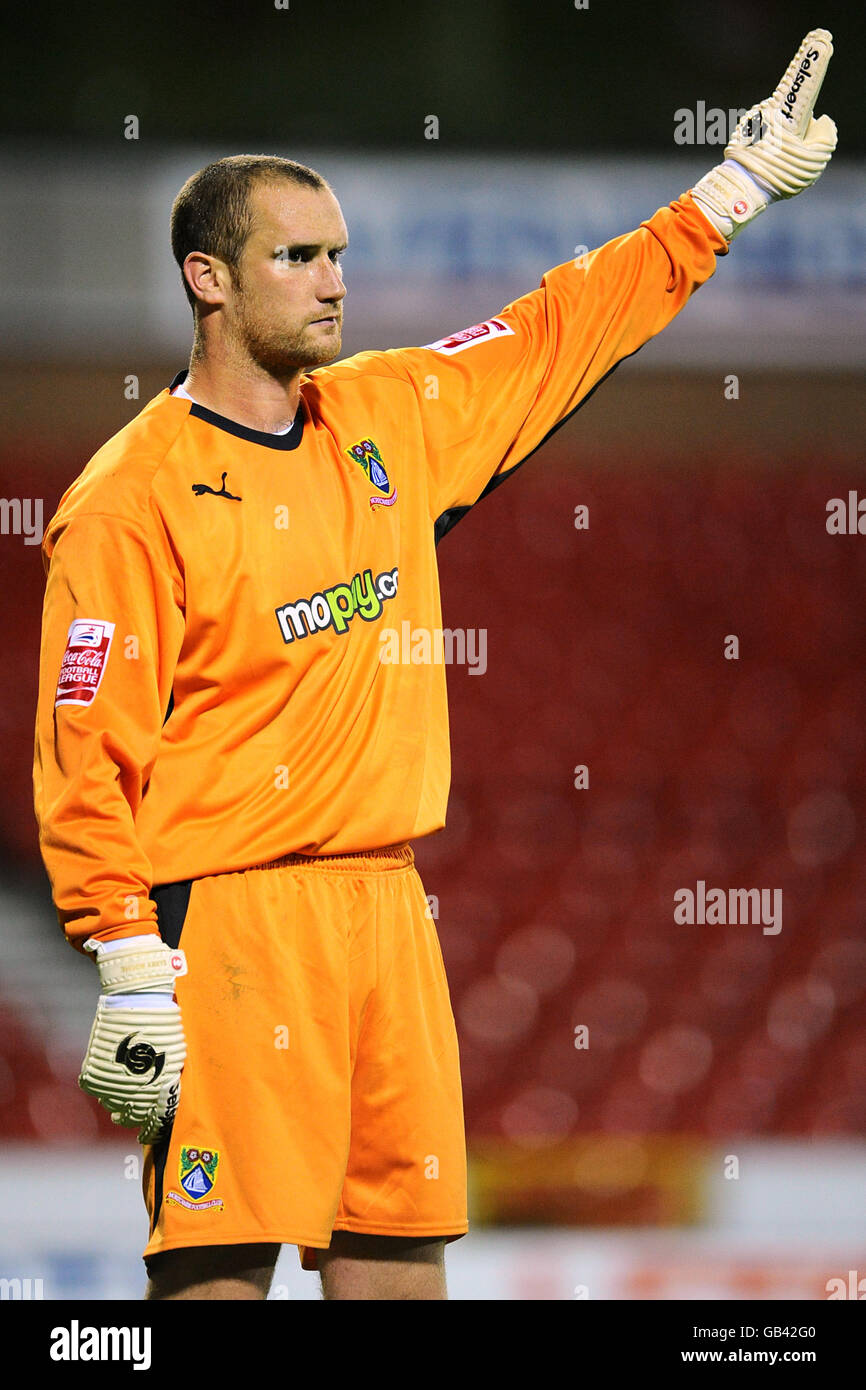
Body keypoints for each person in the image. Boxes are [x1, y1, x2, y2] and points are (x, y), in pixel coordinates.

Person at [33, 31, 836, 1300]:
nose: (331, 281)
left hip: (386, 913)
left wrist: (724, 194)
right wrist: (127, 956)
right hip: (231, 919)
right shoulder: (129, 500)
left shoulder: (388, 416)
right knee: (219, 1273)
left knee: (403, 1270)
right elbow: (86, 750)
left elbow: (555, 326)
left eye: (338, 254)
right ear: (208, 280)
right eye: (295, 257)